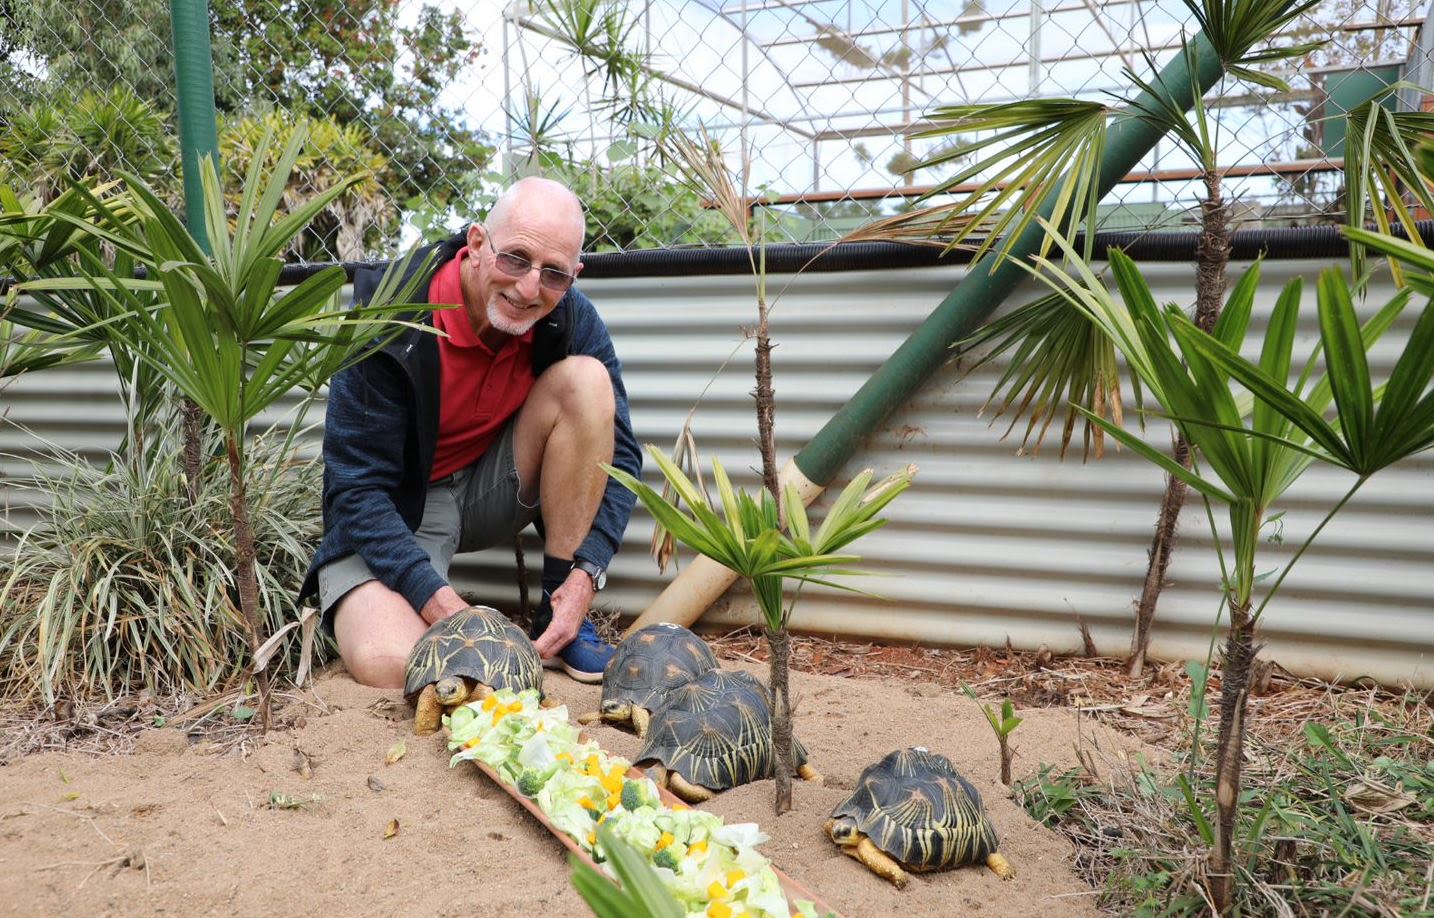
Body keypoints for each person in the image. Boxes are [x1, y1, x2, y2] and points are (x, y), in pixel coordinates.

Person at [298, 176, 640, 686]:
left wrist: (585, 574)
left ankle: (557, 613)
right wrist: (444, 606)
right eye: (516, 259)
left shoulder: (569, 315)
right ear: (478, 244)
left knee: (587, 383)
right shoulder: (389, 314)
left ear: (575, 275)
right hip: (397, 507)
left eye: (554, 273)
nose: (529, 289)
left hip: (489, 487)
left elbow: (624, 457)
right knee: (391, 664)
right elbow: (355, 489)